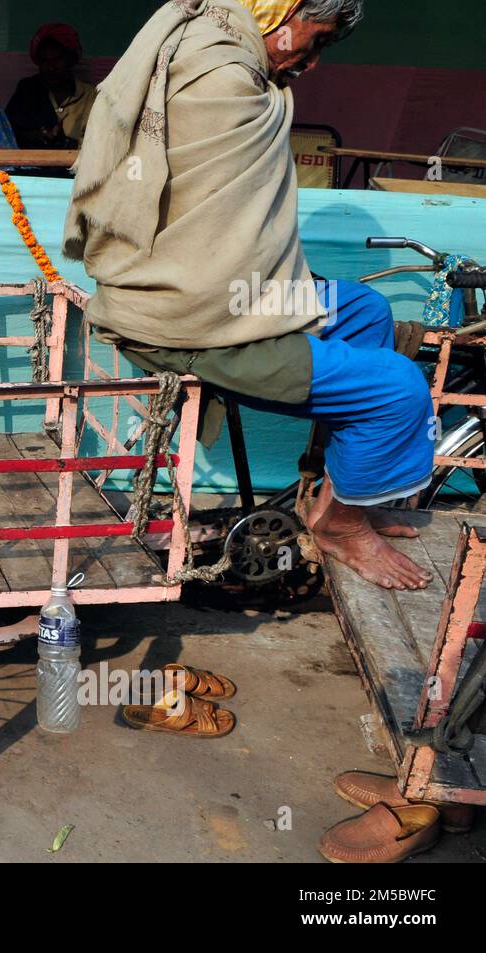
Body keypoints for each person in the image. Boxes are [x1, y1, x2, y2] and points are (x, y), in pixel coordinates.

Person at [63, 0, 435, 593]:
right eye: (315, 41)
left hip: (220, 290)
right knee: (399, 389)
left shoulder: (225, 52)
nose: (309, 64)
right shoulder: (222, 74)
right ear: (275, 11)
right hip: (185, 315)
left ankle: (338, 494)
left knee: (368, 310)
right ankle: (341, 525)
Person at [5, 23, 98, 152]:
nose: (51, 67)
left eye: (58, 60)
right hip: (29, 169)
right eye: (45, 61)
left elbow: (97, 148)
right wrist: (38, 137)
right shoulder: (28, 90)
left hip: (75, 169)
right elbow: (10, 132)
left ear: (71, 60)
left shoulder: (91, 97)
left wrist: (65, 143)